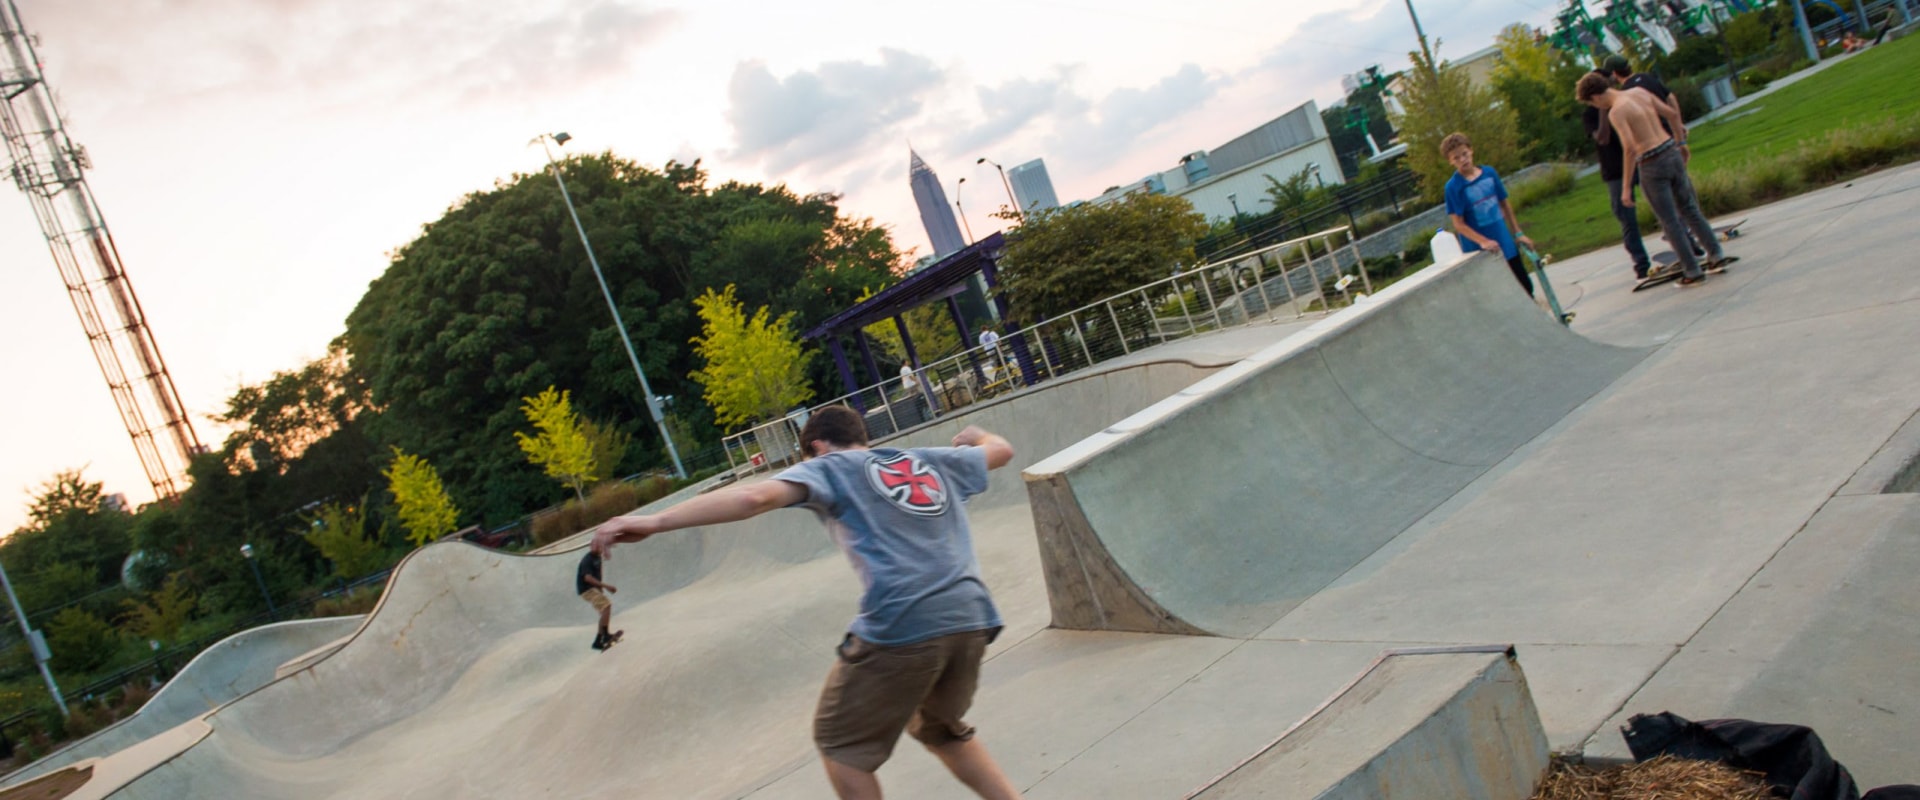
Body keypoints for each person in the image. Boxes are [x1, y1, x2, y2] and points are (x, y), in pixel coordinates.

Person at [592, 406, 1023, 800]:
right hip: (972, 614)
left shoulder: (829, 467)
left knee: (840, 745)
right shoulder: (924, 459)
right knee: (943, 732)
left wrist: (654, 521)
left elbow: (752, 498)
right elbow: (1002, 450)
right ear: (861, 436)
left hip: (905, 619)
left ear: (815, 448)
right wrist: (976, 434)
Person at [1577, 72, 1732, 288]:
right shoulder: (1639, 92)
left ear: (1595, 98)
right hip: (1670, 150)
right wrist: (1681, 143)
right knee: (1689, 208)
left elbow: (1630, 148)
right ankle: (1715, 254)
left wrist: (1625, 188)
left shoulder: (1617, 112)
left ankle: (1692, 270)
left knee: (1669, 221)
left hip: (1651, 162)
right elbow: (1671, 113)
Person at [1440, 132, 1537, 295]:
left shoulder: (1489, 174)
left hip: (1504, 242)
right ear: (1450, 161)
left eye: (1464, 154)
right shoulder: (1453, 187)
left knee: (1524, 287)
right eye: (1456, 158)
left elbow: (1505, 204)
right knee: (1496, 293)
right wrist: (1483, 241)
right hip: (1480, 249)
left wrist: (1518, 233)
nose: (1463, 160)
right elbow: (1459, 224)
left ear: (1471, 151)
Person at [576, 548, 621, 651]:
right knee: (607, 606)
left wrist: (600, 588)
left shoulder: (598, 558)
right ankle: (606, 636)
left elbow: (598, 575)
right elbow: (588, 578)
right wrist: (606, 586)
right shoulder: (587, 560)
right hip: (586, 589)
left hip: (592, 589)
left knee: (604, 611)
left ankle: (597, 641)